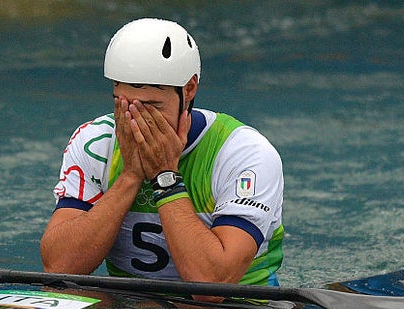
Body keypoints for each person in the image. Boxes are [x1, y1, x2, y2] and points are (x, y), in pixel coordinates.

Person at [41, 18, 284, 289]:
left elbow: (212, 285)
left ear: (189, 89)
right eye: (123, 105)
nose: (137, 121)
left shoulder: (244, 153)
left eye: (151, 106)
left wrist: (165, 175)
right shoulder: (94, 143)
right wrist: (130, 176)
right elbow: (58, 268)